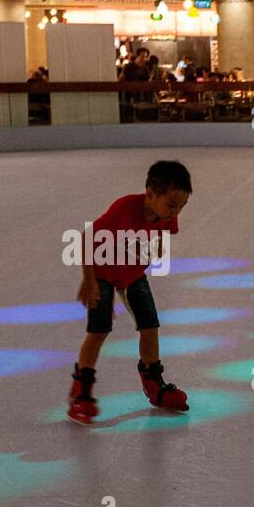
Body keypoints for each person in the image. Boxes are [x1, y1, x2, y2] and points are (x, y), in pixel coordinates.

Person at [67, 160, 192, 425]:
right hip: (102, 272)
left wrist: (157, 244)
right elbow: (86, 239)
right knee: (99, 330)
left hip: (133, 272)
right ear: (150, 194)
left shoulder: (167, 213)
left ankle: (153, 383)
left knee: (150, 325)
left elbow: (165, 229)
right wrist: (89, 282)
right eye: (172, 205)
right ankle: (81, 391)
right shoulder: (124, 210)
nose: (176, 211)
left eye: (182, 206)